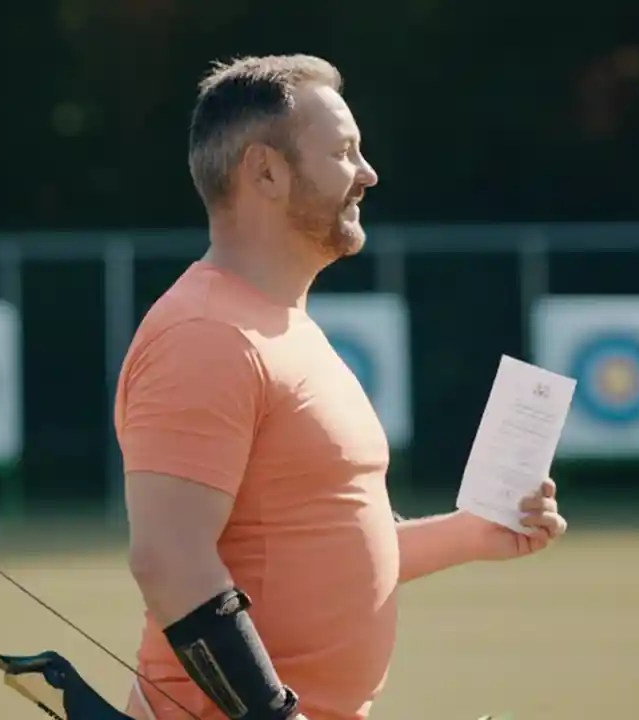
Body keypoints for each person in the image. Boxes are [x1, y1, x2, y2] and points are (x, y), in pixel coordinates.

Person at [112, 54, 567, 720]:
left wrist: (472, 534)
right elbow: (169, 559)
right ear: (265, 170)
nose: (368, 174)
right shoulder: (206, 333)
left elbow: (323, 545)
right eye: (345, 152)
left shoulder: (284, 329)